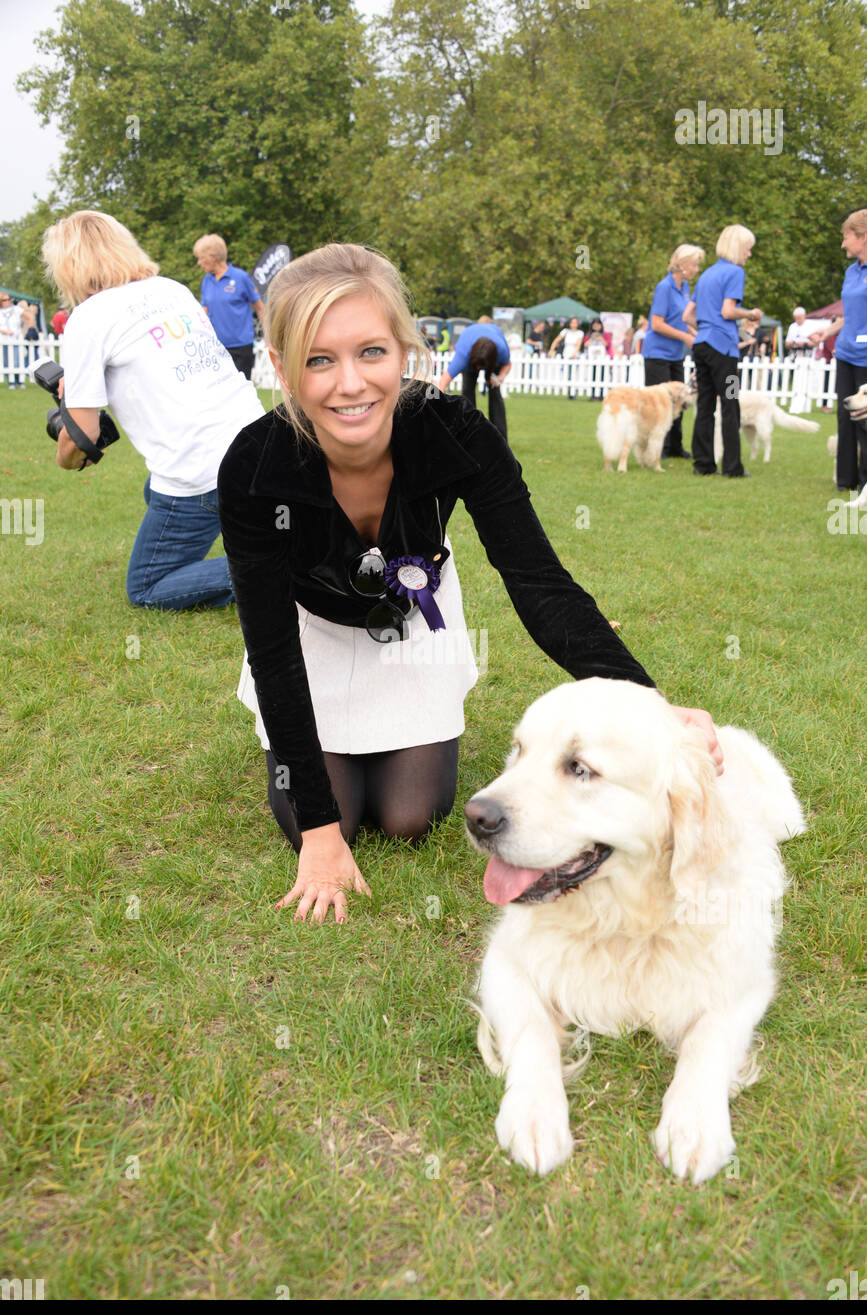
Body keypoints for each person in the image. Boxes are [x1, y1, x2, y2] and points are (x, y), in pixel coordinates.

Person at [216, 242, 723, 925]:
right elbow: (274, 651)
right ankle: (316, 768)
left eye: (371, 352)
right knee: (326, 813)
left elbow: (539, 583)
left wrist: (650, 708)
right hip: (315, 637)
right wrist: (318, 831)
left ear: (405, 351)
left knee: (407, 818)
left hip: (414, 627)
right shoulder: (253, 466)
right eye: (317, 360)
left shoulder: (456, 433)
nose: (350, 383)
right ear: (278, 366)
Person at [42, 210, 264, 609]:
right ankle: (271, 540)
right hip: (259, 447)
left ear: (67, 266)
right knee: (151, 488)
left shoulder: (86, 319)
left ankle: (281, 566)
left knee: (147, 587)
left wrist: (63, 451)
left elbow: (84, 439)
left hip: (200, 474)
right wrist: (78, 383)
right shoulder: (171, 289)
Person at [683, 225, 762, 478]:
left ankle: (703, 464)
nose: (749, 255)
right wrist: (751, 314)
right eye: (748, 249)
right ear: (739, 248)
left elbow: (688, 315)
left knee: (705, 404)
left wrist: (706, 326)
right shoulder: (735, 273)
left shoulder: (706, 275)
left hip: (702, 346)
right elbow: (728, 311)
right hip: (723, 350)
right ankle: (732, 467)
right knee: (730, 404)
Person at [808, 209, 867, 492]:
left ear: (863, 237)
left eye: (846, 237)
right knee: (845, 417)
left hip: (866, 357)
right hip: (845, 354)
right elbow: (849, 314)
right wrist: (827, 332)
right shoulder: (851, 272)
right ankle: (846, 480)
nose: (843, 244)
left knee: (865, 419)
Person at [642, 245, 705, 460]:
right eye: (694, 264)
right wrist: (685, 337)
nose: (697, 269)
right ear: (681, 265)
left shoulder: (684, 287)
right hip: (658, 354)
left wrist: (696, 332)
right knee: (659, 405)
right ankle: (659, 447)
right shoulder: (664, 287)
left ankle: (675, 446)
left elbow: (683, 319)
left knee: (679, 401)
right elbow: (657, 324)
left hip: (676, 354)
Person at [194, 234, 264, 380]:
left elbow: (260, 308)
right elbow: (203, 312)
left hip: (241, 347)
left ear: (213, 257)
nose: (199, 263)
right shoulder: (206, 281)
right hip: (216, 347)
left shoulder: (241, 277)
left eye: (201, 258)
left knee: (242, 392)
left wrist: (269, 338)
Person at [437, 315, 511, 439]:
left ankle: (500, 438)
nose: (479, 369)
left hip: (491, 357)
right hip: (471, 355)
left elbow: (507, 364)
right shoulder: (464, 355)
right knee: (467, 394)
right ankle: (468, 434)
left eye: (481, 366)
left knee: (495, 393)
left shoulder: (501, 350)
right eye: (478, 366)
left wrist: (500, 377)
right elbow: (443, 381)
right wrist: (438, 403)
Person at [0, 292, 22, 388]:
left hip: (15, 339)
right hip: (4, 340)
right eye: (5, 300)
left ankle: (19, 381)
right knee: (6, 362)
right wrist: (5, 332)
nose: (7, 301)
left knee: (16, 361)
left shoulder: (16, 309)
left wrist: (30, 327)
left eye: (9, 299)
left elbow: (30, 317)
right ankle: (11, 382)